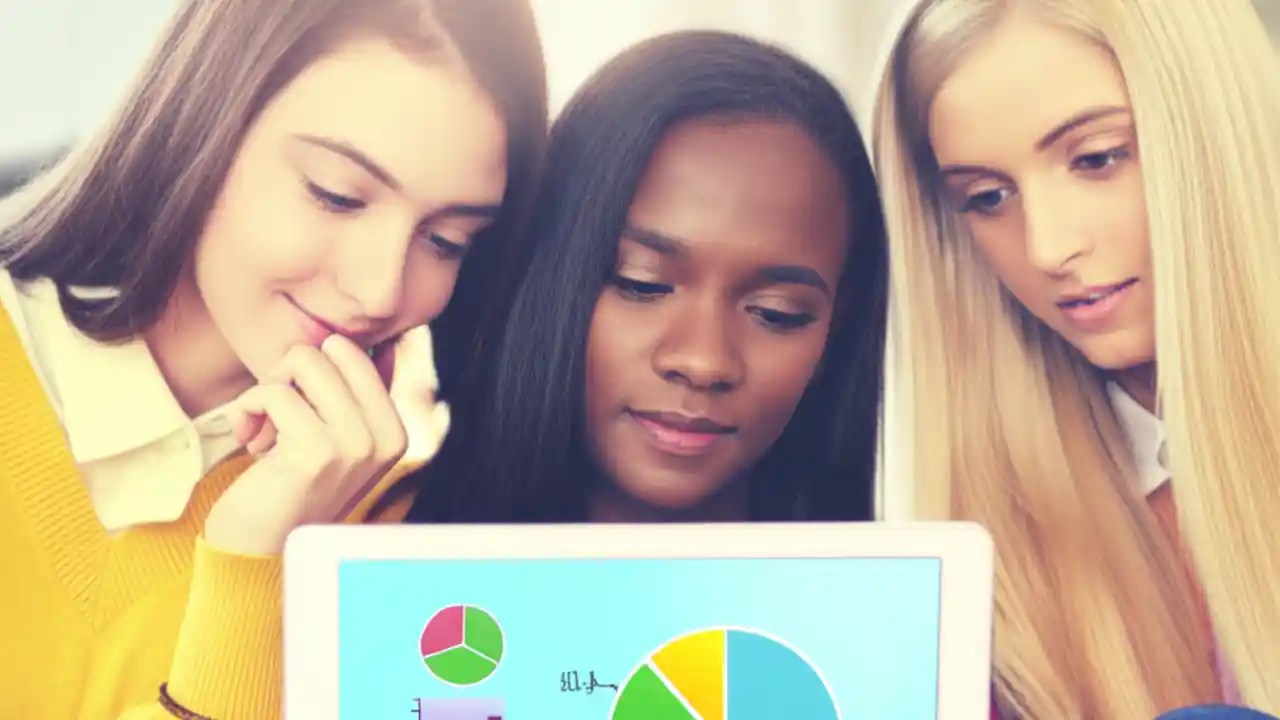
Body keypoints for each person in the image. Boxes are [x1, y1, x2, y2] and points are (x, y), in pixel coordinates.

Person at [0, 0, 546, 717]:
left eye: (447, 241)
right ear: (202, 120)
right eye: (337, 195)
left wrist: (254, 566)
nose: (380, 291)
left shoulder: (377, 518)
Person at [871, 0, 1280, 717]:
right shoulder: (986, 584)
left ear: (1214, 131)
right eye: (988, 197)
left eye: (1097, 159)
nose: (1048, 248)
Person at [402, 30, 887, 525]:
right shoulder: (366, 555)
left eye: (776, 313)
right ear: (548, 274)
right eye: (642, 284)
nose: (702, 362)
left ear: (839, 326)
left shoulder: (918, 582)